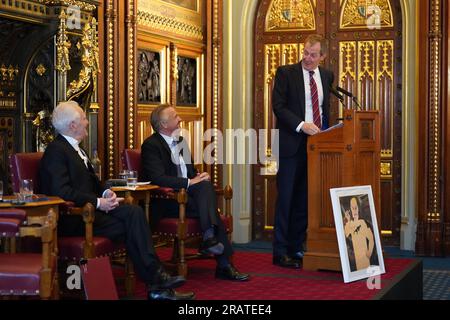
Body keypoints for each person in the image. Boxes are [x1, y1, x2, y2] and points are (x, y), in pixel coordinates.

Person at [39, 101, 195, 300]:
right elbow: (61, 192)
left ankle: (158, 283)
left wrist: (105, 193)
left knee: (134, 213)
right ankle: (158, 283)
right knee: (134, 226)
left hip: (92, 213)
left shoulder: (76, 149)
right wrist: (98, 202)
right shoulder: (56, 151)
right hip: (75, 219)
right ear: (72, 125)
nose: (87, 122)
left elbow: (93, 183)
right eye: (84, 119)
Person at [141, 103, 250, 282]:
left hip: (190, 199)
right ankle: (223, 264)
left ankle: (210, 240)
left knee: (206, 185)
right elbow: (158, 178)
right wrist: (190, 182)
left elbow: (190, 173)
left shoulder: (182, 142)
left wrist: (199, 176)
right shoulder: (151, 145)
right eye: (176, 117)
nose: (180, 119)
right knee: (211, 212)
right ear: (163, 124)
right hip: (169, 202)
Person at [272, 34, 335, 268]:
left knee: (304, 200)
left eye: (313, 55)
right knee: (286, 198)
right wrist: (301, 125)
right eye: (305, 53)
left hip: (317, 147)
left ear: (323, 56)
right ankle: (280, 251)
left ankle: (297, 247)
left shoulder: (327, 76)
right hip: (291, 144)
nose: (307, 58)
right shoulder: (285, 73)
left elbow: (324, 109)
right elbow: (278, 107)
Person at [343, 197, 375, 271]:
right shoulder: (350, 224)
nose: (354, 210)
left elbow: (371, 238)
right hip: (356, 257)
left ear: (358, 208)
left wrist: (369, 251)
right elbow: (346, 234)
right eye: (352, 207)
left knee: (365, 270)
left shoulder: (362, 223)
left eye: (356, 207)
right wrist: (347, 220)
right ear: (350, 209)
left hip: (364, 256)